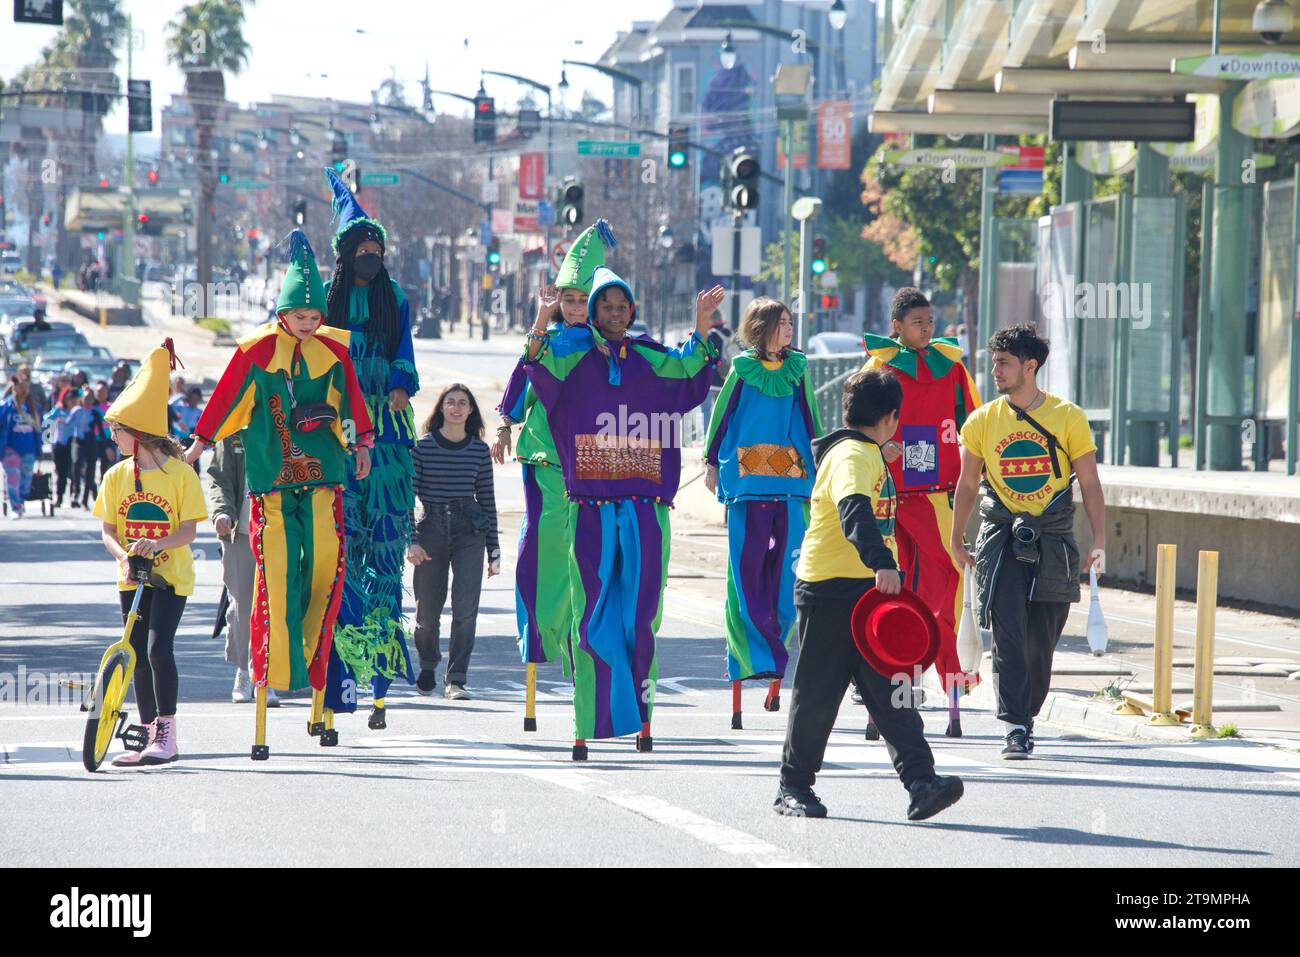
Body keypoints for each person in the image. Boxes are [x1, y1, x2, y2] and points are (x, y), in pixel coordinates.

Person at [184, 229, 374, 757]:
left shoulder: (335, 351)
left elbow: (355, 402)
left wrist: (362, 442)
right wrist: (198, 444)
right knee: (275, 581)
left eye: (315, 317)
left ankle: (313, 670)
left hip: (323, 482)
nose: (309, 326)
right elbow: (224, 401)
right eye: (300, 317)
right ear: (282, 313)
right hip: (271, 487)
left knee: (324, 572)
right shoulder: (256, 353)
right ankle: (272, 673)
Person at [525, 267, 722, 756]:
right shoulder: (571, 355)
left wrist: (701, 326)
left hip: (644, 508)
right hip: (589, 508)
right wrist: (541, 318)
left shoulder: (649, 354)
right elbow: (534, 366)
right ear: (592, 311)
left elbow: (691, 373)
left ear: (632, 310)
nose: (615, 314)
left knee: (641, 615)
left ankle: (642, 718)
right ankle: (587, 721)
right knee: (590, 614)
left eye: (622, 306)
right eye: (606, 306)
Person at [775, 368, 964, 821]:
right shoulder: (852, 455)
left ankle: (922, 782)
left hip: (867, 594)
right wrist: (881, 562)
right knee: (818, 694)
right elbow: (854, 509)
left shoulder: (867, 452)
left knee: (893, 690)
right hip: (830, 591)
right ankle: (793, 788)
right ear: (892, 416)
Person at [950, 324, 1106, 759]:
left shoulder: (1068, 416)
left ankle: (1027, 712)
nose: (994, 370)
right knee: (1008, 634)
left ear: (1029, 366)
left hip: (1053, 537)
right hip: (999, 534)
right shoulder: (981, 420)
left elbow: (1090, 482)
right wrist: (956, 537)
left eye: (1003, 363)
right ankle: (1015, 725)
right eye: (994, 361)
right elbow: (966, 485)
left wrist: (1099, 539)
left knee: (1042, 637)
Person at [318, 167, 420, 732]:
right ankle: (339, 678)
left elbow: (405, 354)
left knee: (383, 562)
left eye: (377, 246)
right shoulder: (326, 301)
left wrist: (399, 383)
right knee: (340, 560)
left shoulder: (395, 298)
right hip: (335, 438)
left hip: (386, 446)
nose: (371, 254)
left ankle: (379, 675)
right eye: (362, 246)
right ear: (345, 253)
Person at [494, 220, 615, 685]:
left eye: (583, 300)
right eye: (568, 299)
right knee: (540, 554)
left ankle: (580, 639)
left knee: (588, 560)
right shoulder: (545, 343)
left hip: (593, 465)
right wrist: (505, 425)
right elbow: (523, 375)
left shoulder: (613, 347)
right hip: (545, 461)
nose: (576, 307)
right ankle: (540, 636)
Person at [861, 288, 982, 738]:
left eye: (930, 321)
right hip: (891, 497)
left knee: (948, 588)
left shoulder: (952, 367)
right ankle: (888, 685)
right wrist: (880, 447)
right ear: (896, 326)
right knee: (893, 591)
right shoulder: (879, 368)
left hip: (939, 498)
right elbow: (858, 421)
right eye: (917, 321)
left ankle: (947, 680)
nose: (927, 328)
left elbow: (973, 421)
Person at [704, 297, 822, 724]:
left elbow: (812, 422)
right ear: (761, 328)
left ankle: (774, 653)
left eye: (791, 323)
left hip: (792, 486)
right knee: (745, 572)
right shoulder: (741, 370)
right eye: (781, 323)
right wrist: (709, 461)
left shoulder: (799, 369)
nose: (789, 330)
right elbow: (721, 417)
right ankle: (752, 654)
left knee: (790, 575)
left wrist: (820, 466)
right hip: (747, 485)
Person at [94, 339, 208, 766]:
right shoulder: (115, 475)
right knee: (136, 651)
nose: (113, 437)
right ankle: (144, 735)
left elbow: (189, 531)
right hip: (131, 576)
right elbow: (108, 529)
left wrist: (157, 544)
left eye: (117, 430)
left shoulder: (181, 475)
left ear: (137, 434)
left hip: (171, 576)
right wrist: (122, 556)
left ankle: (168, 734)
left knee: (160, 649)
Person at [409, 384, 500, 699]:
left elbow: (487, 501)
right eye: (451, 402)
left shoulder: (478, 450)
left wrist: (494, 551)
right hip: (431, 529)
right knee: (426, 615)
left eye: (463, 403)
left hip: (469, 531)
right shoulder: (423, 447)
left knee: (465, 610)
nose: (457, 407)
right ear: (441, 408)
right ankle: (428, 665)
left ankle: (456, 679)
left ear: (471, 410)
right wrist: (411, 540)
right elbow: (407, 497)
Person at [206, 433, 278, 706]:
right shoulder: (233, 433)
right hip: (241, 534)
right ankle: (244, 671)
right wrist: (222, 512)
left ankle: (266, 675)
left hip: (279, 533)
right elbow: (219, 476)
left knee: (273, 606)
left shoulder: (285, 421)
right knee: (242, 607)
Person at [0, 376, 40, 518]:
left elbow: (40, 427)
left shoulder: (33, 407)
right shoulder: (5, 407)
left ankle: (20, 501)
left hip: (29, 448)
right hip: (10, 449)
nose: (24, 390)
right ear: (14, 388)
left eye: (26, 387)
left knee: (26, 480)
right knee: (12, 477)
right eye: (21, 387)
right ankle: (15, 507)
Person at [67, 387, 103, 508]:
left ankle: (85, 499)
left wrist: (106, 446)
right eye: (86, 398)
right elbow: (67, 424)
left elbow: (101, 432)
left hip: (91, 443)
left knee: (90, 471)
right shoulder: (76, 411)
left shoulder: (95, 413)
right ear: (82, 399)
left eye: (90, 398)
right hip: (78, 442)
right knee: (76, 465)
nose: (87, 401)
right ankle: (75, 493)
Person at [43, 387, 78, 507]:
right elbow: (46, 420)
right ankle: (59, 497)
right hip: (60, 444)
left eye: (75, 399)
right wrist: (55, 412)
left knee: (74, 472)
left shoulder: (79, 411)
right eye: (70, 399)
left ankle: (74, 497)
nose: (72, 401)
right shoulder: (60, 410)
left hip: (75, 444)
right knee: (61, 473)